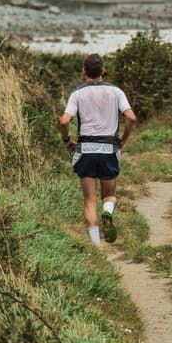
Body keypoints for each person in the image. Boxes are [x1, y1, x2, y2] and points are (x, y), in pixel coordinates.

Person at [59, 53, 136, 246]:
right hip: (109, 149)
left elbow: (64, 121)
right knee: (109, 196)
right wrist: (123, 140)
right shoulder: (116, 92)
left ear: (83, 71)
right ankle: (107, 212)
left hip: (86, 150)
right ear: (103, 71)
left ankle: (96, 247)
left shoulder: (77, 94)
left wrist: (67, 140)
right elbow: (131, 118)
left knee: (90, 200)